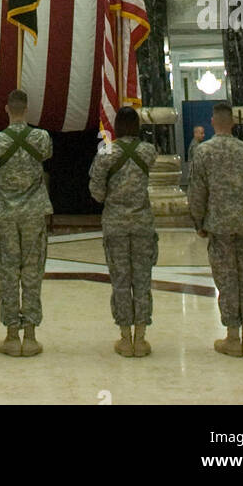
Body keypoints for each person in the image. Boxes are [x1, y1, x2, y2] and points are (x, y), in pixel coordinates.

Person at [188, 100, 243, 357]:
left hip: (219, 225)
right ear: (233, 123)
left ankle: (232, 337)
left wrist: (199, 223)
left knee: (225, 279)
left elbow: (197, 194)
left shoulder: (203, 152)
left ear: (213, 122)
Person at [0, 89, 53, 358]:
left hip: (7, 215)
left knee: (8, 273)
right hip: (35, 214)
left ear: (7, 109)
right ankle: (31, 335)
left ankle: (11, 335)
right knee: (32, 272)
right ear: (27, 109)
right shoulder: (42, 138)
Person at [88, 105, 157, 358]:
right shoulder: (148, 151)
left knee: (120, 281)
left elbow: (96, 190)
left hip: (116, 224)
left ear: (116, 126)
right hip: (142, 224)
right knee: (142, 281)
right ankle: (141, 338)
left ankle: (125, 338)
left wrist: (110, 197)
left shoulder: (107, 151)